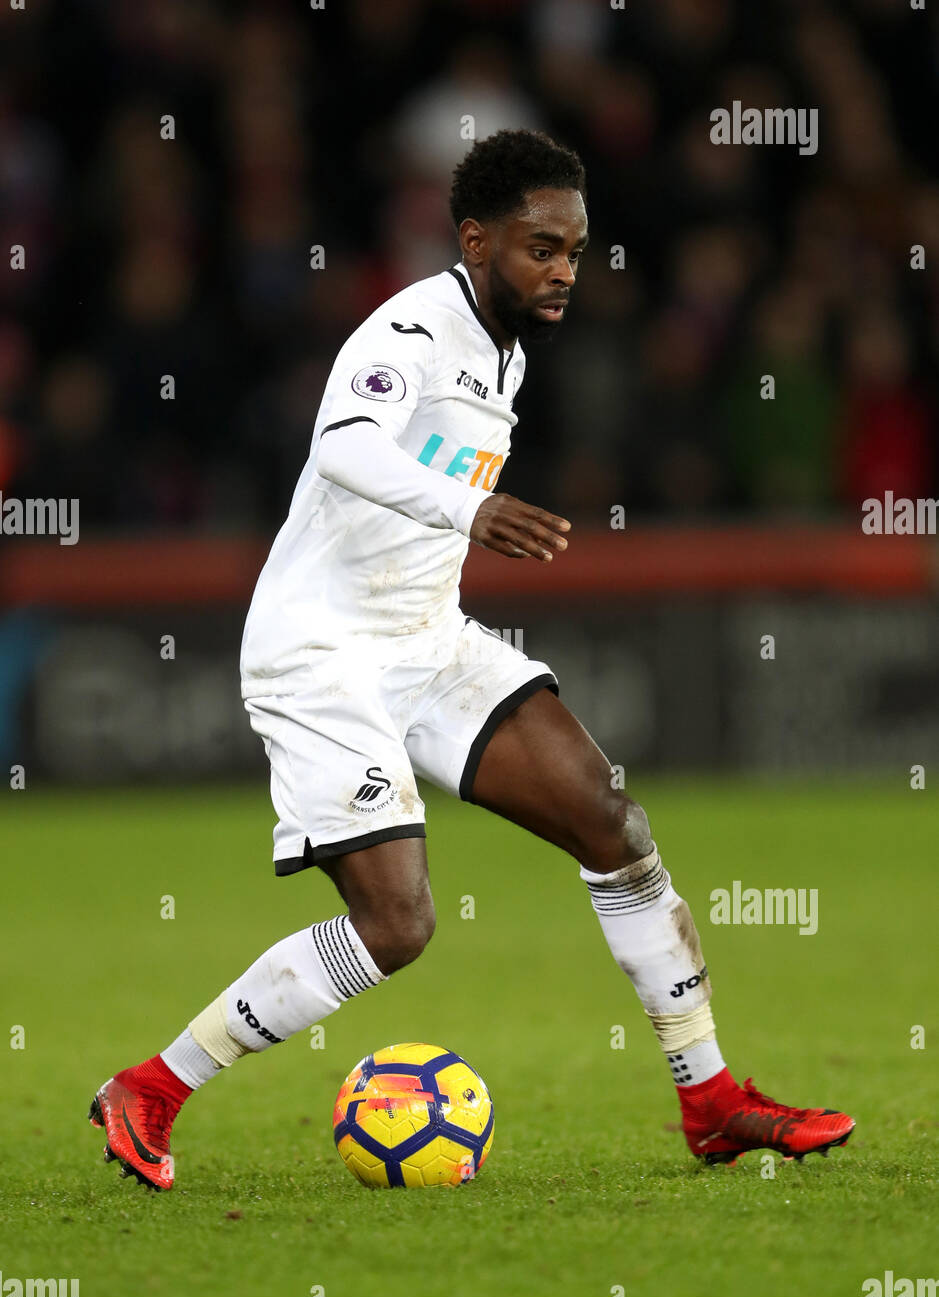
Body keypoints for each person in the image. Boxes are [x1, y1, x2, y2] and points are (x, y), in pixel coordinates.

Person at [89, 130, 853, 1189]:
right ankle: (152, 1089)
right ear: (476, 237)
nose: (562, 271)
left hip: (424, 637)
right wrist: (474, 505)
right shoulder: (411, 326)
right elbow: (343, 446)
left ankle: (712, 1100)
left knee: (613, 824)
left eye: (576, 253)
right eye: (542, 248)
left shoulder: (508, 351)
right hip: (323, 649)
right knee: (398, 925)